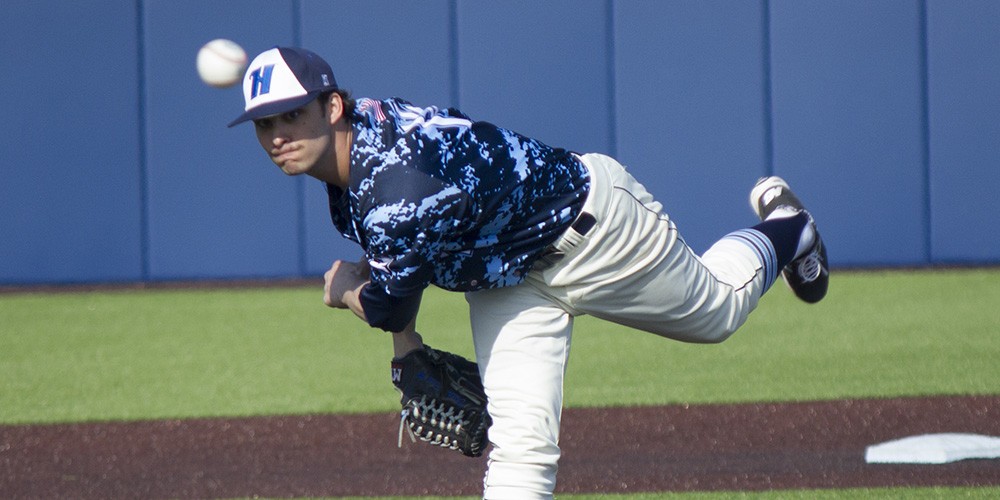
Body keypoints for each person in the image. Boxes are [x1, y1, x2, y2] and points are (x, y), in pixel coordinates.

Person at [229, 46, 828, 499]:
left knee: (716, 312)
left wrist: (345, 292)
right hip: (506, 282)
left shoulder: (393, 182)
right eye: (264, 125)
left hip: (594, 232)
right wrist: (406, 348)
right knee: (521, 451)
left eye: (290, 116)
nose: (278, 136)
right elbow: (400, 270)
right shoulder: (360, 150)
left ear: (332, 106)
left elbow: (388, 298)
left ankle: (786, 228)